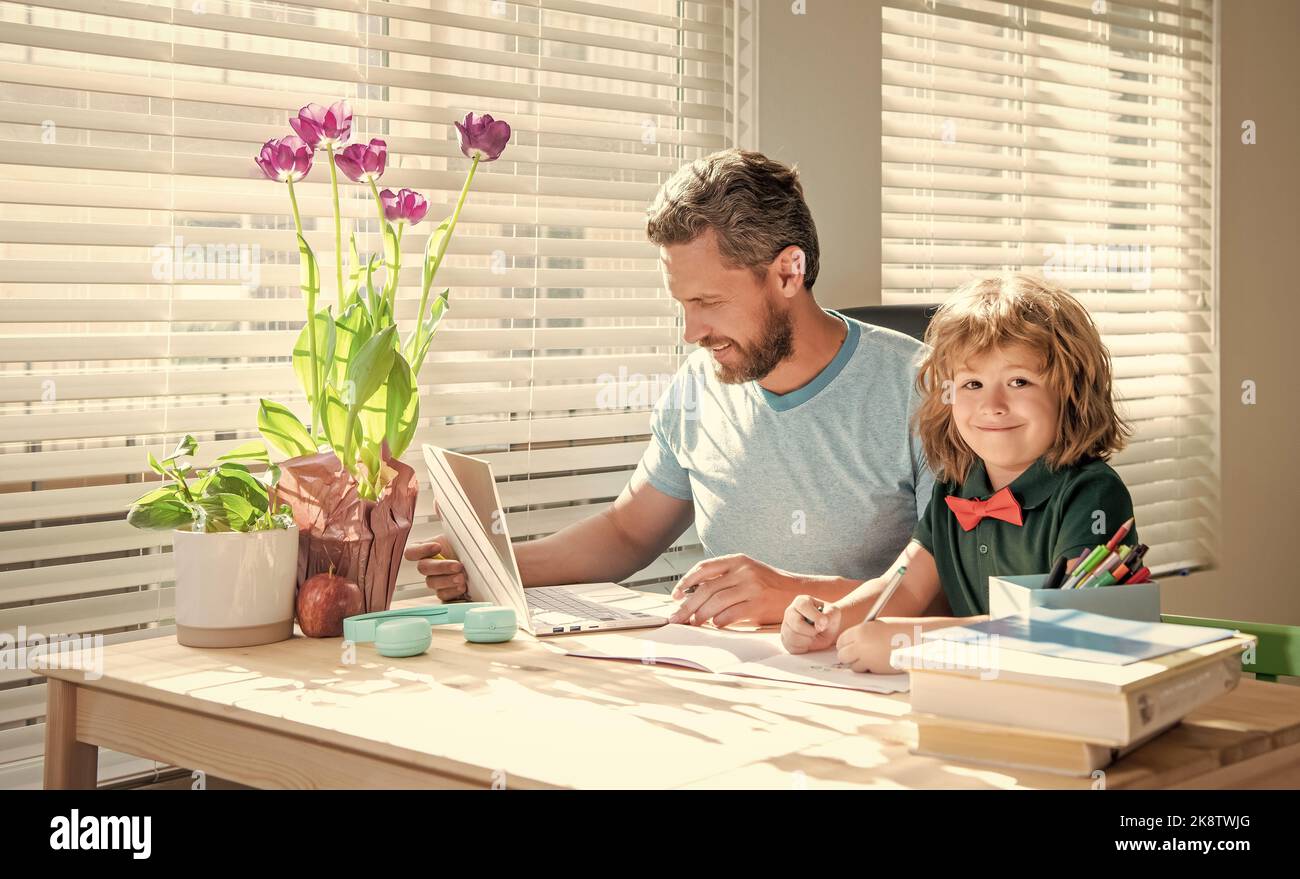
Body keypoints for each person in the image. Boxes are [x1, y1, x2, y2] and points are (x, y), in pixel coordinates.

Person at [406, 148, 931, 627]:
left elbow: (955, 588)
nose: (691, 333)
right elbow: (627, 533)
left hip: (864, 684)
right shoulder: (700, 385)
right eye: (681, 305)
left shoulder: (926, 390)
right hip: (731, 677)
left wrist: (792, 593)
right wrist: (491, 565)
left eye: (708, 303)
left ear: (789, 273)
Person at [782, 273, 1139, 671]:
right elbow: (903, 588)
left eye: (1019, 381)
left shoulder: (1090, 494)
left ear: (1070, 391)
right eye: (972, 384)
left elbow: (1064, 630)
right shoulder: (954, 485)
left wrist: (912, 643)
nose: (992, 405)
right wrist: (833, 618)